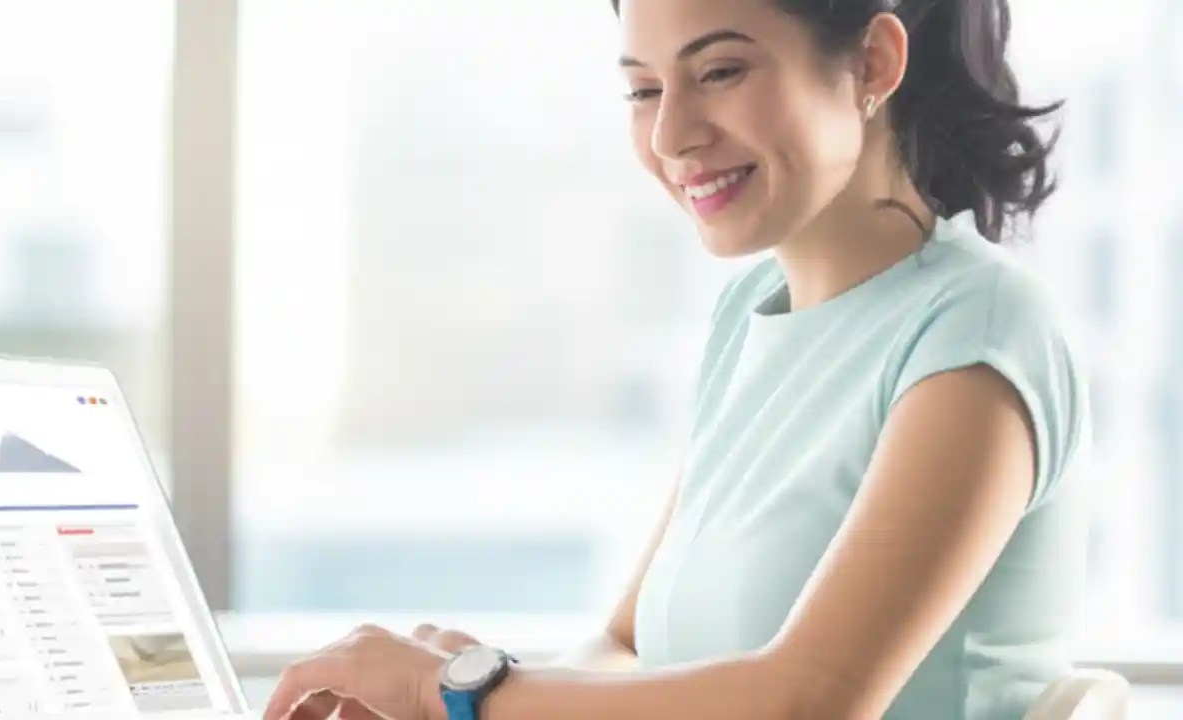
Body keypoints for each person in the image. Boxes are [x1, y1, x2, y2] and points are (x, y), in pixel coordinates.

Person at [263, 0, 1088, 717]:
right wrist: (469, 695)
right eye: (644, 90)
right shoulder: (749, 315)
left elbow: (812, 702)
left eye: (721, 71)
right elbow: (625, 648)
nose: (671, 135)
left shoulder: (977, 330)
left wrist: (465, 694)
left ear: (873, 62)